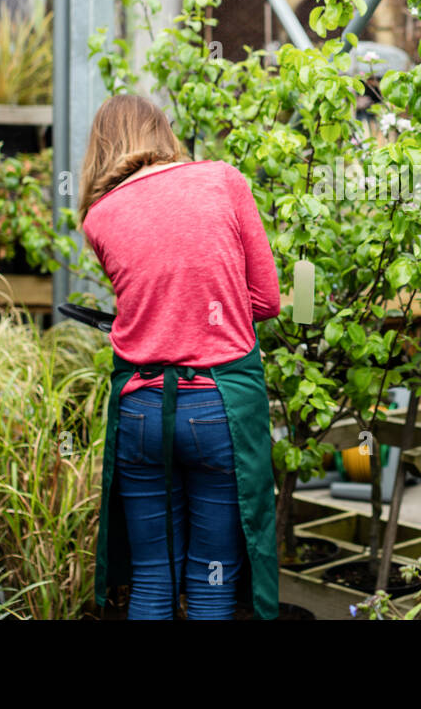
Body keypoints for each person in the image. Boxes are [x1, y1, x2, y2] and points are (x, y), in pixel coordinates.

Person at [79, 94, 281, 619]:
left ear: (102, 148)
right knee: (212, 576)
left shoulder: (99, 216)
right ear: (163, 133)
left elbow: (148, 297)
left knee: (152, 578)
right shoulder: (222, 180)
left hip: (140, 412)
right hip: (218, 410)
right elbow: (267, 301)